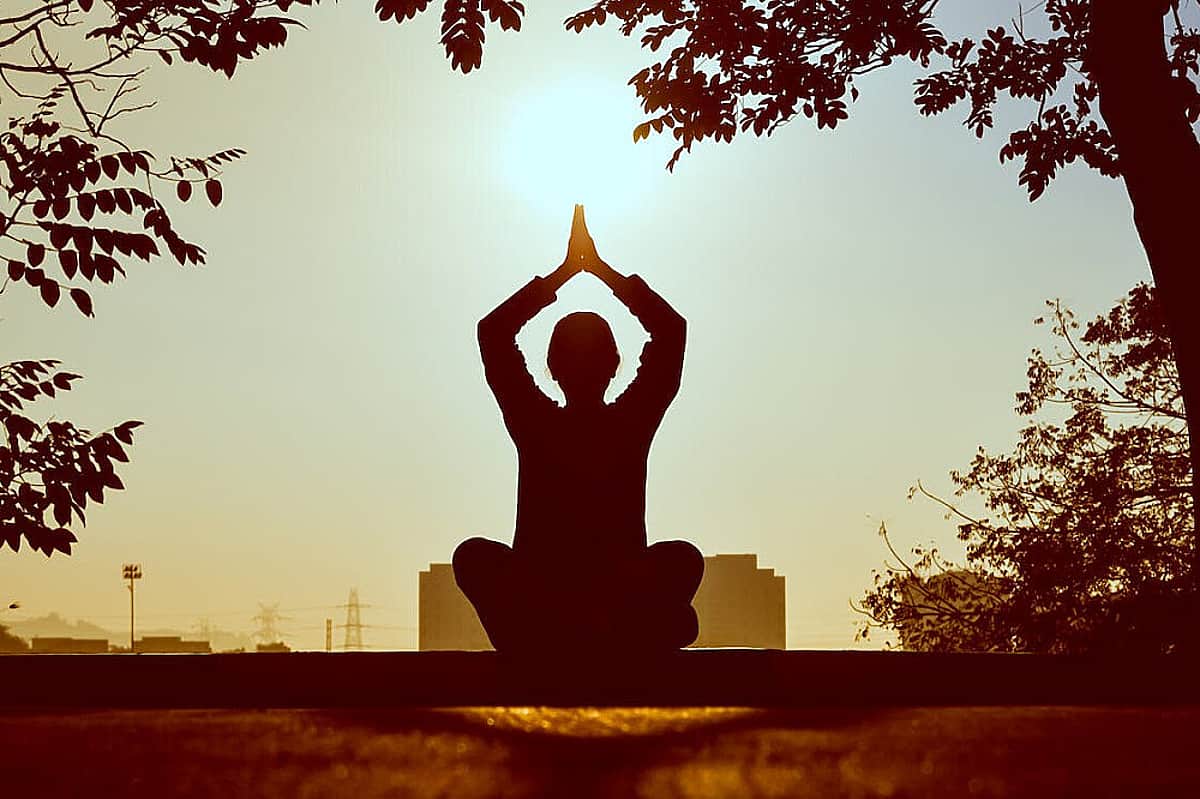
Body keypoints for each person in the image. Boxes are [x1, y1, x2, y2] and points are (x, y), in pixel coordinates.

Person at [454, 206, 704, 654]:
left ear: (551, 368)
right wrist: (601, 272)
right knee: (682, 562)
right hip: (595, 596)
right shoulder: (627, 421)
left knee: (473, 557)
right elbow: (670, 331)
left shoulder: (536, 421)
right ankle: (610, 632)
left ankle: (558, 636)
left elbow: (493, 333)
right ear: (615, 365)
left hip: (556, 597)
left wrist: (565, 274)